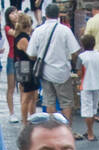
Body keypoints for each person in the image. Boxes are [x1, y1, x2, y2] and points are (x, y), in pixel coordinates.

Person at [26, 4, 80, 136]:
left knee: (49, 100)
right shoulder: (65, 30)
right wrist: (72, 62)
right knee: (66, 102)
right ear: (58, 15)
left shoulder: (38, 30)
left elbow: (31, 53)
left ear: (46, 14)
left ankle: (52, 130)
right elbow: (75, 51)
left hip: (45, 71)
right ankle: (66, 130)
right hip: (62, 71)